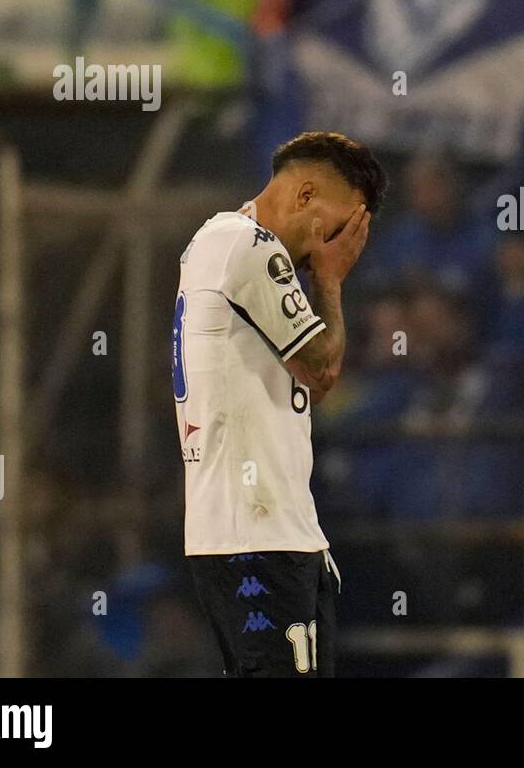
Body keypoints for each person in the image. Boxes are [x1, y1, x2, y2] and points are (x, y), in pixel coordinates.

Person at [174, 131, 386, 677]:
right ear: (305, 195)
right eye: (339, 229)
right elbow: (322, 367)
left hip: (258, 531)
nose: (334, 250)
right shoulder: (246, 245)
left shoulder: (218, 246)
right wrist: (332, 286)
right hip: (257, 538)